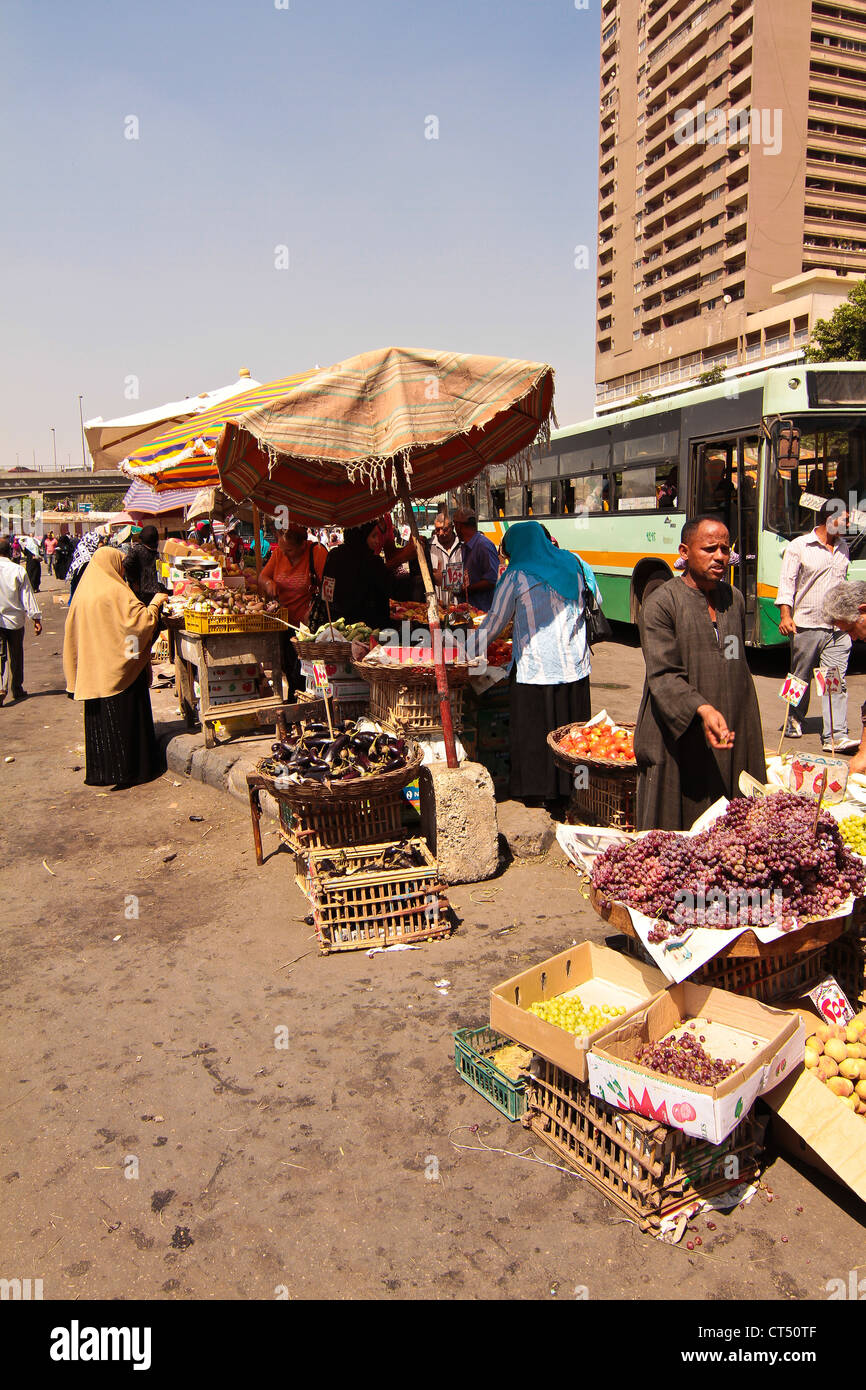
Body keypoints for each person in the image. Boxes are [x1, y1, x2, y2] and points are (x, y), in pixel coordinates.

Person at [634, 515, 766, 831]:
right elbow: (663, 674)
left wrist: (738, 716)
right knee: (679, 821)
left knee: (733, 819)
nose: (720, 556)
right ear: (685, 550)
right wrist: (702, 709)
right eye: (709, 548)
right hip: (678, 727)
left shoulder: (732, 598)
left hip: (729, 720)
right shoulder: (662, 602)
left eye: (725, 548)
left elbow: (734, 661)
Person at [478, 520, 598, 804]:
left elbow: (494, 623)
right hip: (575, 669)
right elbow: (596, 599)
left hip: (537, 670)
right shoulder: (573, 562)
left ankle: (539, 791)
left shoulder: (516, 574)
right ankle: (576, 790)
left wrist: (461, 650)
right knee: (573, 734)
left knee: (536, 734)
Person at [63, 548, 168, 787]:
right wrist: (154, 605)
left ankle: (102, 773)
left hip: (93, 671)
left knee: (100, 724)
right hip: (119, 670)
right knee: (126, 720)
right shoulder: (116, 591)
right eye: (120, 564)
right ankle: (132, 771)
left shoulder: (83, 592)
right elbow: (138, 626)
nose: (123, 569)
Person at [775, 501, 858, 752]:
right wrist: (785, 615)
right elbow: (787, 583)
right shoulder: (799, 546)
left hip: (836, 628)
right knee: (799, 677)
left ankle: (835, 734)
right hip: (806, 624)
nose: (847, 525)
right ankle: (793, 718)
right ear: (828, 519)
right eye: (843, 519)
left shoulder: (843, 547)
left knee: (834, 679)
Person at [321, 520, 393, 629]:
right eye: (373, 536)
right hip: (367, 630)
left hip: (336, 627)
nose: (378, 541)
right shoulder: (373, 562)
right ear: (361, 537)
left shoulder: (334, 555)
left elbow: (326, 593)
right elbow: (387, 592)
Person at [0, 536, 42, 705]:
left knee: (0, 655)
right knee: (16, 655)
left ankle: (1, 687)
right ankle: (17, 688)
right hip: (15, 621)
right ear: (10, 551)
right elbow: (27, 597)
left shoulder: (19, 570)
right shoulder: (18, 570)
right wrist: (36, 618)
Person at [453, 510, 499, 613]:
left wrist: (466, 590)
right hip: (469, 610)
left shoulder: (484, 546)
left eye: (455, 526)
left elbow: (492, 580)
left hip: (482, 611)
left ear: (459, 526)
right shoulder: (465, 546)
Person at [429, 510, 464, 604]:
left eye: (444, 529)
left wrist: (444, 579)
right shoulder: (429, 547)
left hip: (460, 605)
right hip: (439, 607)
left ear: (452, 528)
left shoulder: (463, 546)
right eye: (437, 529)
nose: (440, 533)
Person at [123, 524, 162, 606]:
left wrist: (133, 580)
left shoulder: (137, 550)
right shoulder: (160, 549)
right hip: (159, 589)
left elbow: (126, 564)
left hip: (141, 589)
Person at [67, 532, 101, 598]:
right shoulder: (87, 558)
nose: (102, 544)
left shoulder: (82, 550)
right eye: (100, 542)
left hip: (78, 590)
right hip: (83, 592)